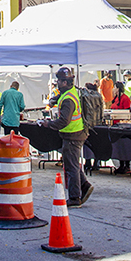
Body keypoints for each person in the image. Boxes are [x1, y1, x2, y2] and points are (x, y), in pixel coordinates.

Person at [47, 66, 93, 208]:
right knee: (72, 163)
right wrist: (54, 99)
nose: (57, 83)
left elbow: (63, 121)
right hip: (75, 134)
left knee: (71, 167)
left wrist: (48, 124)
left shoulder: (68, 99)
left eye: (59, 81)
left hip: (73, 135)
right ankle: (85, 186)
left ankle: (74, 198)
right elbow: (62, 96)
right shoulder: (69, 92)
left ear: (65, 82)